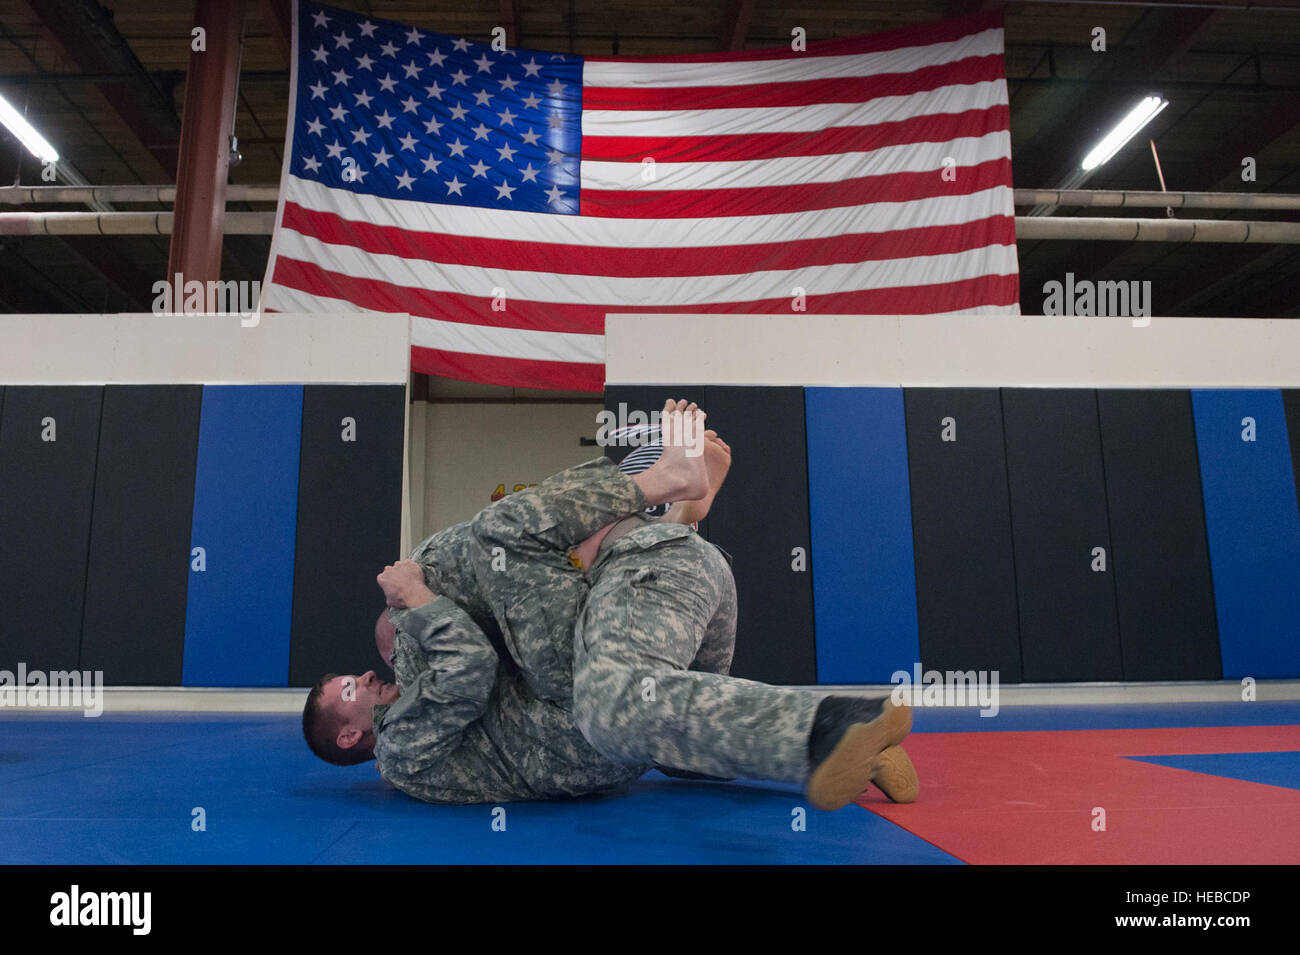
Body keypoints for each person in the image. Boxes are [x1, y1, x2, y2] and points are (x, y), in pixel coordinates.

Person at [304, 401, 918, 810]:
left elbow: (477, 655)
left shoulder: (433, 708)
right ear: (352, 731)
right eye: (348, 690)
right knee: (508, 543)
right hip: (658, 610)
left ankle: (673, 507)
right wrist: (413, 603)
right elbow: (464, 667)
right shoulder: (402, 748)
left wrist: (426, 601)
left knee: (612, 672)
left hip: (654, 596)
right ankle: (838, 734)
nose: (365, 673)